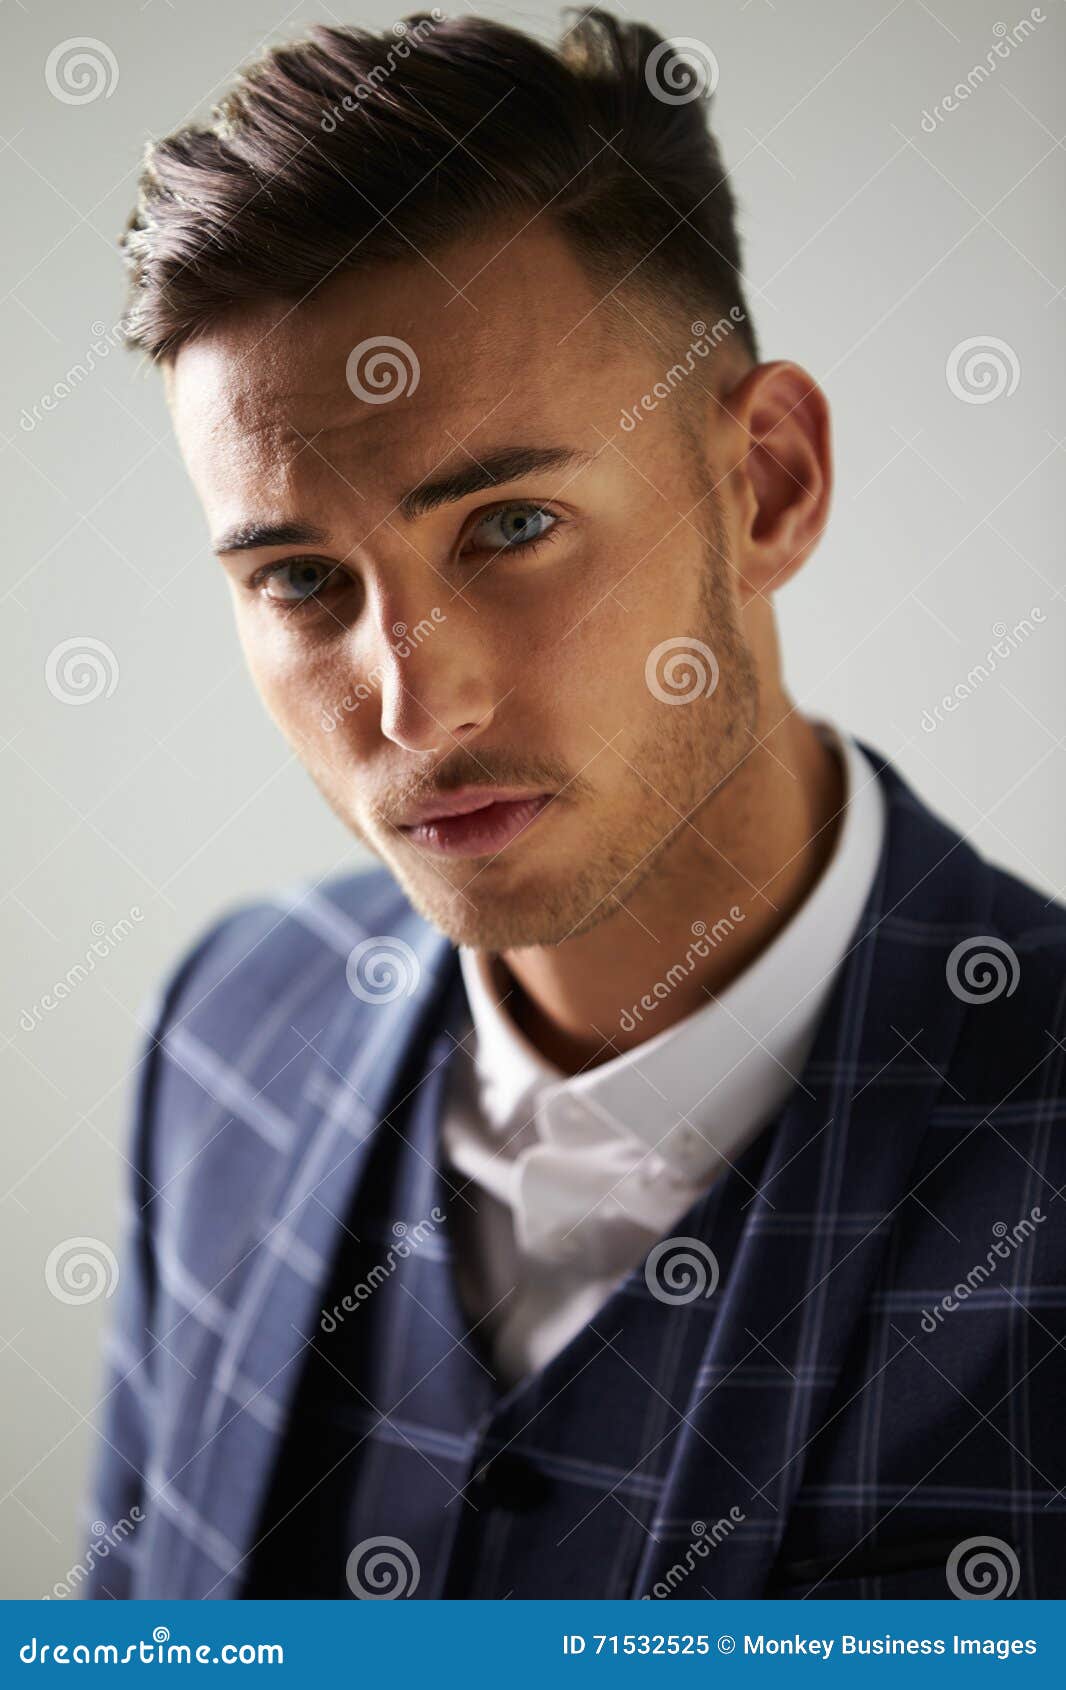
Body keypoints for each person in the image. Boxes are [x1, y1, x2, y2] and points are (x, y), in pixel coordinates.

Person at [85, 8, 1066, 1600]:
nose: (415, 706)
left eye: (509, 521)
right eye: (301, 579)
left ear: (766, 483)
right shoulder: (224, 1033)